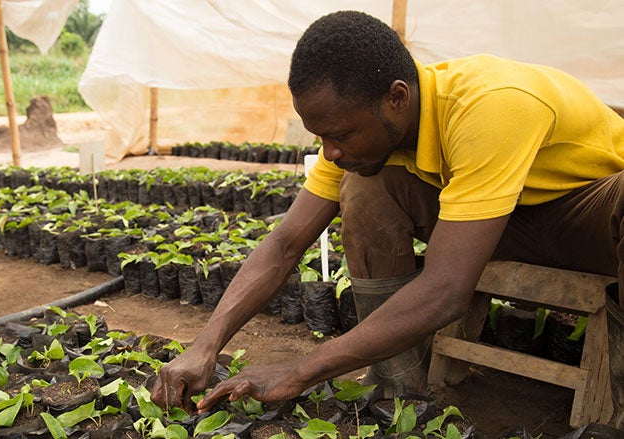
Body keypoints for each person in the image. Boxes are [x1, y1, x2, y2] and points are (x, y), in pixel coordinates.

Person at [151, 10, 624, 428]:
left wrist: (299, 371)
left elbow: (446, 291)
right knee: (365, 184)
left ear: (397, 98)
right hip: (501, 220)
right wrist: (205, 345)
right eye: (321, 137)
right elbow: (286, 244)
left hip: (590, 219)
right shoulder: (359, 137)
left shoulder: (491, 103)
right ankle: (397, 391)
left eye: (340, 134)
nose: (330, 152)